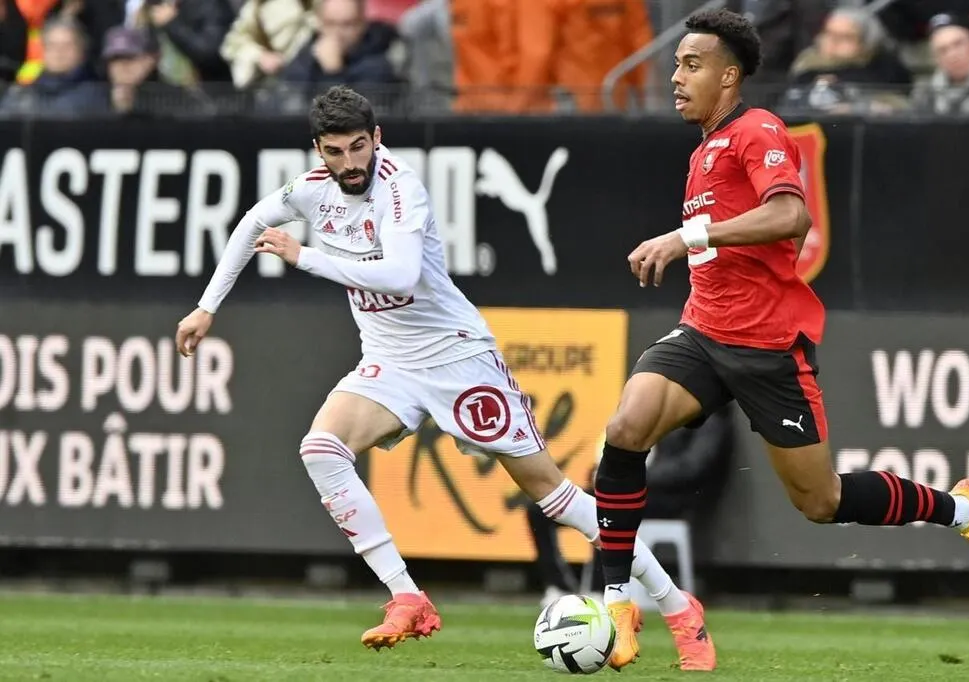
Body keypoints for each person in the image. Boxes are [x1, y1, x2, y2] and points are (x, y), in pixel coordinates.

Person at [174, 85, 695, 665]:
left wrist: (304, 257)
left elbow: (398, 277)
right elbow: (251, 222)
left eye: (357, 148)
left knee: (555, 496)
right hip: (390, 362)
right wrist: (207, 307)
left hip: (456, 358)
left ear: (376, 139)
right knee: (321, 447)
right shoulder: (314, 190)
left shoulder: (402, 190)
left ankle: (678, 609)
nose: (349, 164)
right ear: (318, 150)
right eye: (334, 152)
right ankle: (407, 596)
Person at [592, 8, 969, 673]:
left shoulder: (757, 129)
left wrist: (688, 237)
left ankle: (965, 511)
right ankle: (618, 607)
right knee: (625, 429)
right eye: (676, 64)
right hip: (704, 331)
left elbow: (792, 214)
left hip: (767, 345)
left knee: (820, 502)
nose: (677, 77)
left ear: (730, 76)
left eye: (692, 64)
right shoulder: (704, 147)